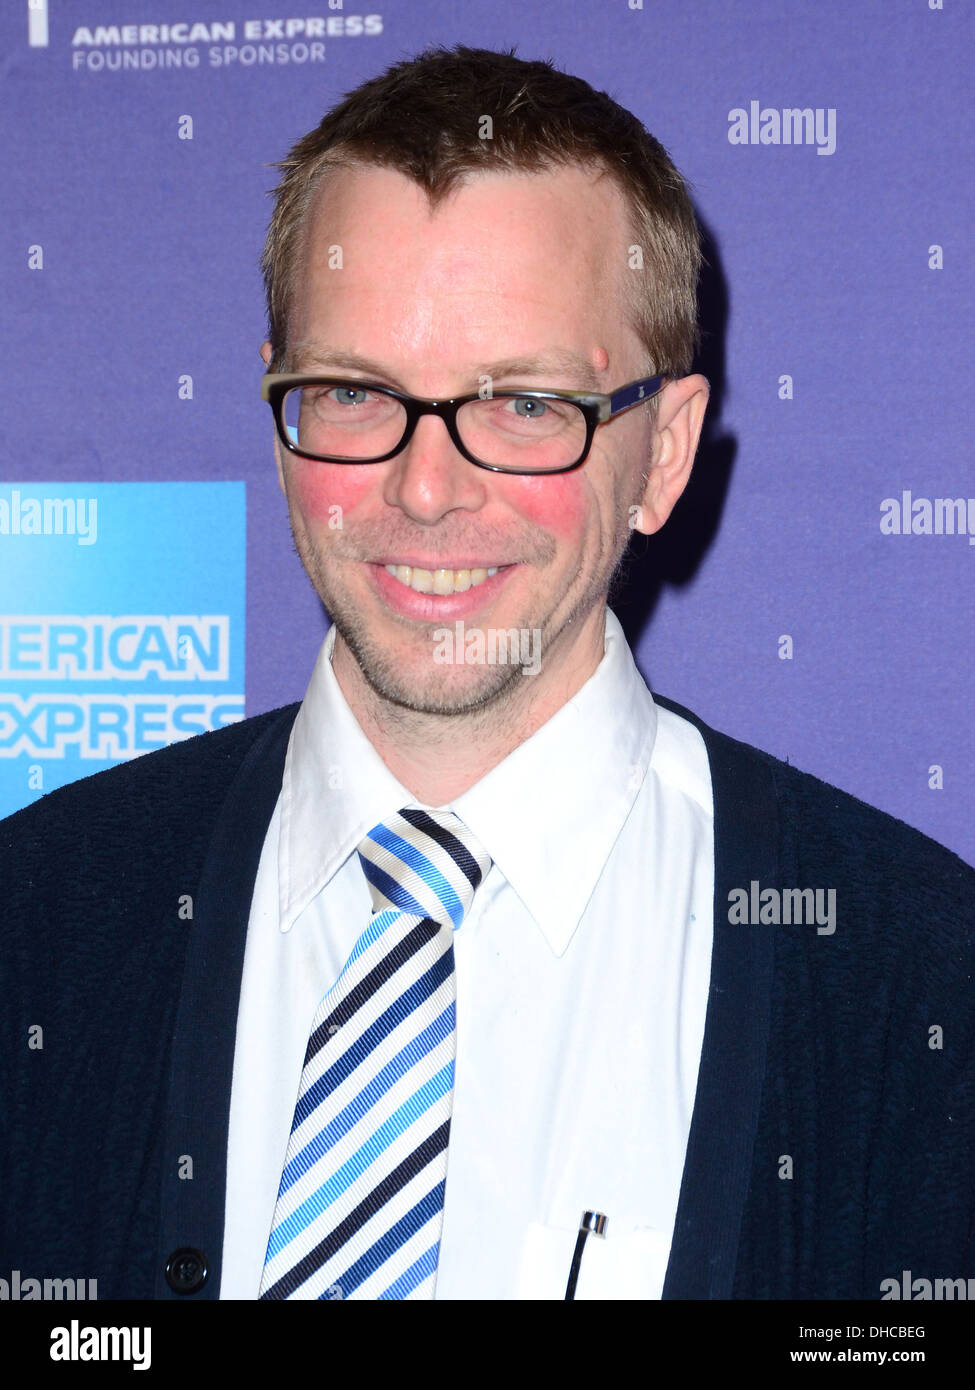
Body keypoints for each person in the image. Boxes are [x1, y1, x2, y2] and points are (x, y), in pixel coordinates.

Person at [2, 44, 973, 1303]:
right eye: (354, 392)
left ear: (663, 453)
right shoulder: (39, 925)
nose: (424, 486)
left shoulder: (917, 984)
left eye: (523, 404)